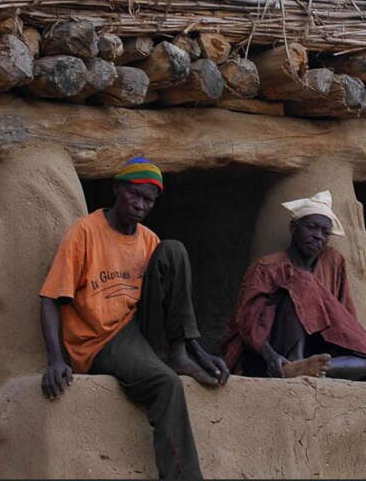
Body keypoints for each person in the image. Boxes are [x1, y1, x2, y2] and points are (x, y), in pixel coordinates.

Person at [38, 157, 229, 481]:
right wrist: (55, 360)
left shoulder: (148, 239)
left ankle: (180, 355)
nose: (141, 205)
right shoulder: (85, 232)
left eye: (149, 200)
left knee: (173, 250)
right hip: (102, 340)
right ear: (117, 189)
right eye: (134, 195)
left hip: (140, 328)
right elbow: (50, 298)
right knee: (166, 385)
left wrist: (199, 351)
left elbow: (172, 302)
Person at [222, 190, 366, 381]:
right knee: (301, 283)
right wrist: (271, 356)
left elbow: (343, 315)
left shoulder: (333, 262)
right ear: (293, 227)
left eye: (325, 233)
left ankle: (308, 369)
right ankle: (294, 365)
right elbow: (248, 322)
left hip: (317, 349)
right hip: (270, 353)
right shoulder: (267, 267)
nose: (318, 236)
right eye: (312, 227)